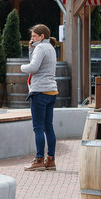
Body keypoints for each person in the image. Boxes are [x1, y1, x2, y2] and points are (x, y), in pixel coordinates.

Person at [20, 24, 58, 171]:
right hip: (51, 91)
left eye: (34, 36)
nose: (32, 39)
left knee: (38, 128)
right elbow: (37, 63)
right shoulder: (50, 48)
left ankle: (39, 160)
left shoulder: (41, 48)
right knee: (49, 127)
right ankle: (51, 160)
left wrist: (22, 67)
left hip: (39, 91)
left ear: (42, 36)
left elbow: (33, 67)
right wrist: (31, 48)